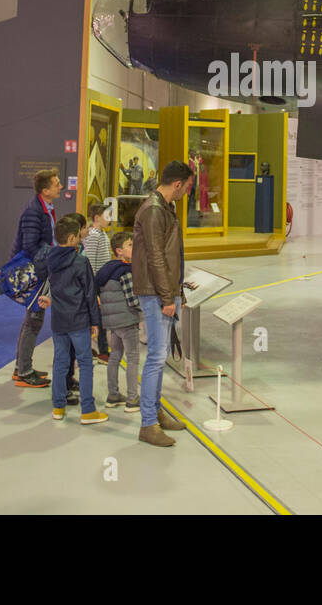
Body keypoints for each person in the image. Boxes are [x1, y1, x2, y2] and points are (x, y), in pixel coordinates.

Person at [132, 160, 195, 447]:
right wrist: (167, 297)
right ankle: (147, 423)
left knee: (160, 355)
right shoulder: (155, 210)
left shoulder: (163, 208)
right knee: (156, 358)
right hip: (156, 294)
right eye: (188, 186)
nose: (188, 192)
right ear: (178, 184)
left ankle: (155, 412)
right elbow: (156, 257)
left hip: (164, 291)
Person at [45, 215, 107, 426]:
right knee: (85, 363)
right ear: (72, 238)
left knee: (60, 362)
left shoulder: (49, 260)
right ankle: (88, 410)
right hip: (79, 320)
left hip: (58, 320)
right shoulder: (80, 261)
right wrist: (95, 322)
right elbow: (90, 294)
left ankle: (58, 407)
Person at [11, 169, 61, 388]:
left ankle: (21, 367)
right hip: (35, 272)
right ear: (45, 190)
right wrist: (56, 254)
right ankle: (24, 371)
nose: (61, 186)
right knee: (34, 320)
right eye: (57, 183)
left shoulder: (45, 208)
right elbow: (30, 246)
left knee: (31, 319)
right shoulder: (35, 211)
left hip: (40, 270)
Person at [96, 232, 140, 412]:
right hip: (127, 321)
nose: (134, 247)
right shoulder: (126, 271)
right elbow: (133, 300)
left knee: (115, 356)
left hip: (112, 323)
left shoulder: (108, 270)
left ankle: (113, 395)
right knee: (133, 358)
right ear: (119, 251)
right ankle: (132, 398)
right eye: (130, 245)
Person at [83, 202, 113, 363]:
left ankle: (99, 349)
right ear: (96, 218)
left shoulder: (102, 234)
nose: (110, 219)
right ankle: (102, 350)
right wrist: (93, 289)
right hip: (96, 284)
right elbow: (90, 263)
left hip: (102, 282)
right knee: (97, 319)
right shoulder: (93, 236)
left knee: (100, 318)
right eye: (107, 216)